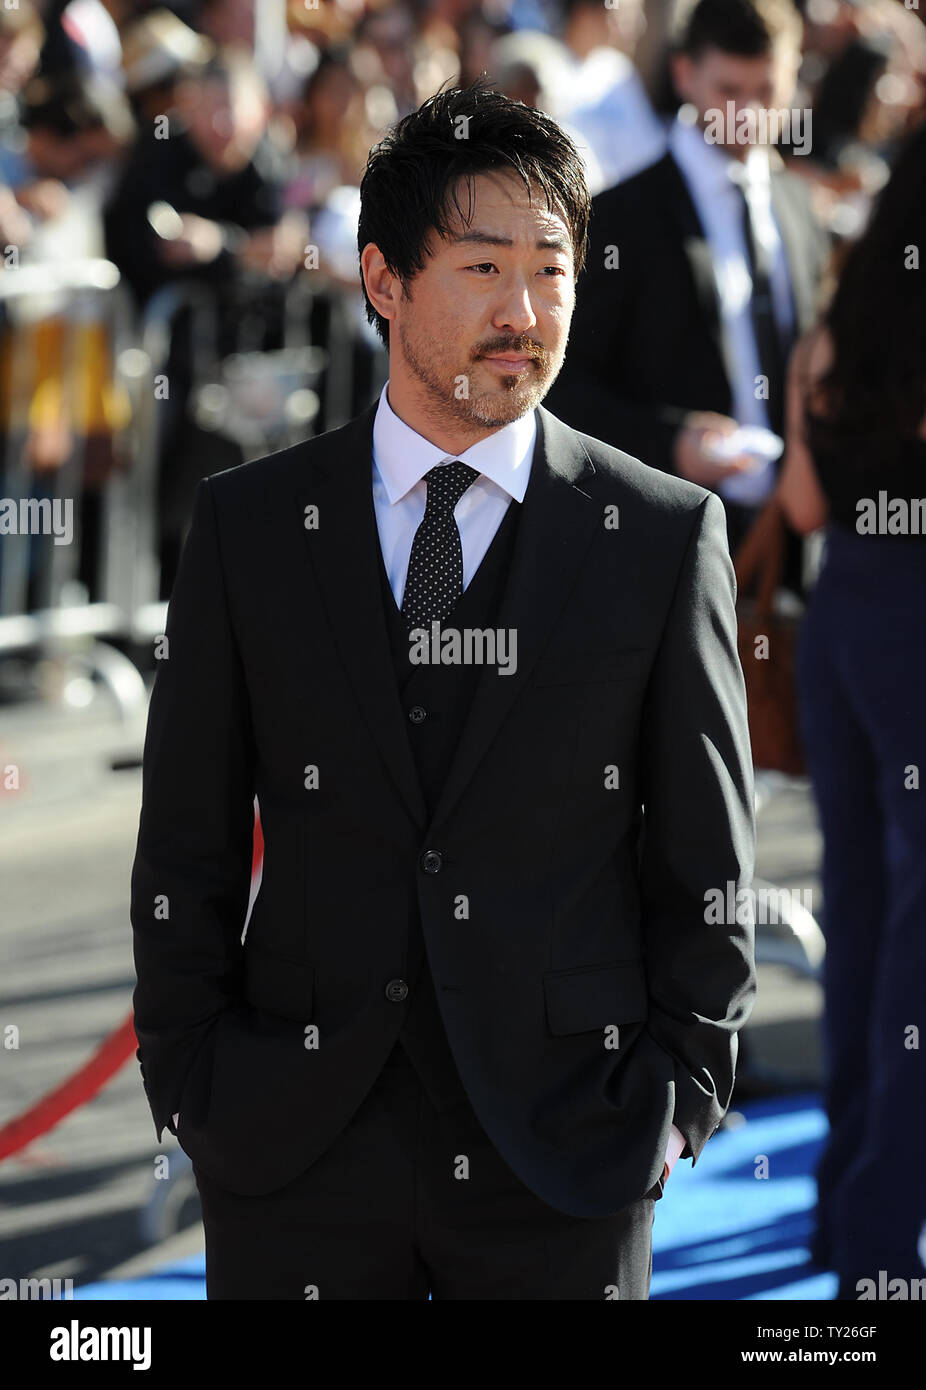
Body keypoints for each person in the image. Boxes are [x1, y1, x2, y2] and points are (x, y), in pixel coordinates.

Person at [130, 78, 756, 1301]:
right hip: (292, 1143)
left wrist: (675, 1102)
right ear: (381, 281)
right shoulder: (252, 527)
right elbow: (184, 844)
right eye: (481, 267)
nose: (523, 311)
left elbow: (707, 858)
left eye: (551, 269)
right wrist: (192, 1084)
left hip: (569, 1147)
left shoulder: (658, 534)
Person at [776, 120, 926, 1301]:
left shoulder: (832, 330)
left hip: (842, 628)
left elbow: (805, 499)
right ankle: (878, 1237)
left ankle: (844, 1209)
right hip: (914, 628)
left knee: (865, 921)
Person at [544, 0, 830, 581]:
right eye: (729, 90)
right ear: (683, 75)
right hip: (662, 547)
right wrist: (670, 442)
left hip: (789, 552)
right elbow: (558, 391)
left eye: (766, 91)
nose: (747, 114)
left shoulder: (799, 207)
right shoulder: (620, 218)